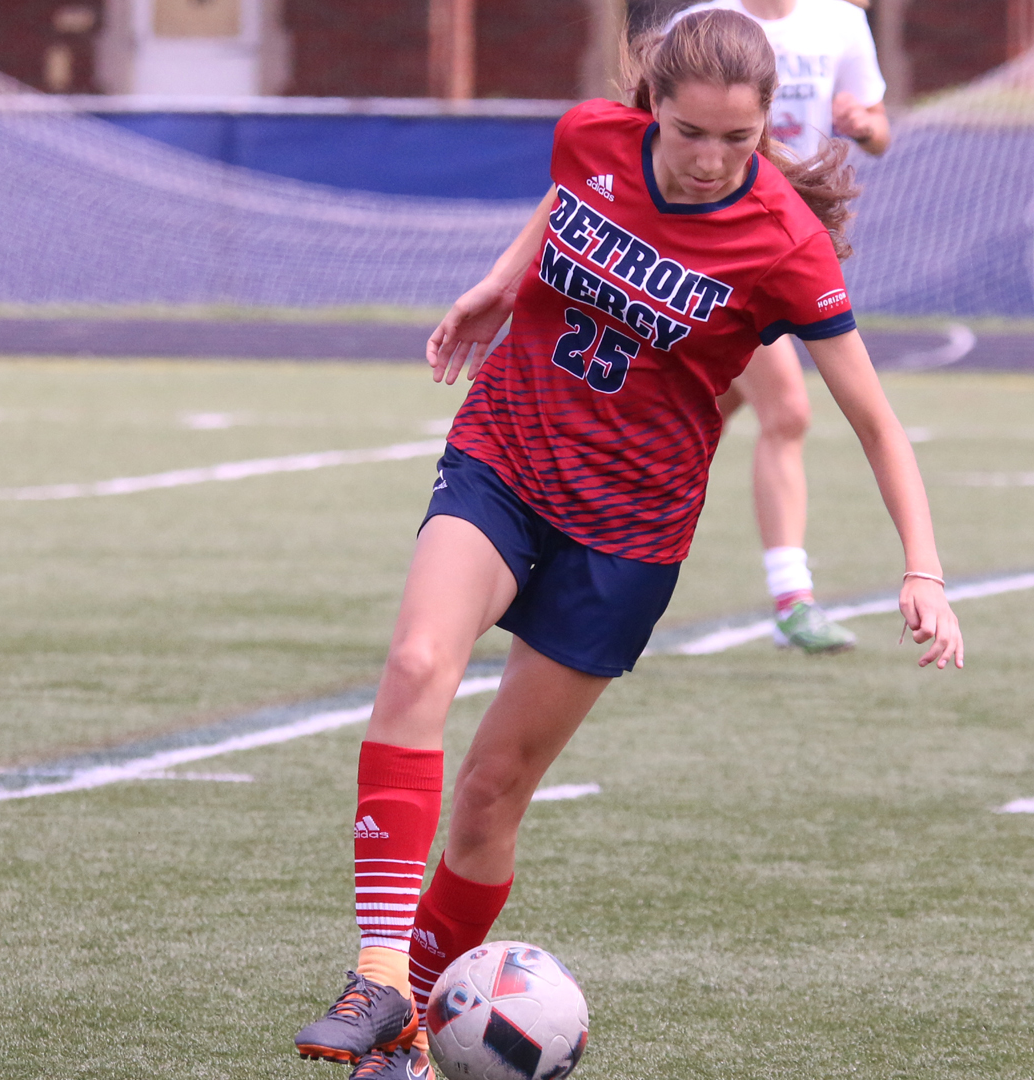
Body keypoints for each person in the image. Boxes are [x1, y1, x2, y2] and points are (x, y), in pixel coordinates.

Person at [289, 11, 963, 1079]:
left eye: (739, 141)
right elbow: (568, 198)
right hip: (507, 455)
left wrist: (922, 567)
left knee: (491, 794)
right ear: (651, 106)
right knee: (417, 663)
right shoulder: (589, 136)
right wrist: (505, 279)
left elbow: (877, 423)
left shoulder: (785, 240)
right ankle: (378, 978)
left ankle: (408, 1034)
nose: (712, 161)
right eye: (691, 133)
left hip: (628, 533)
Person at [667, 0, 893, 653]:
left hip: (792, 242)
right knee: (788, 411)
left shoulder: (841, 22)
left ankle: (583, 516)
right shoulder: (705, 22)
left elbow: (879, 130)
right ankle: (793, 600)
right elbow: (641, 124)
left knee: (692, 413)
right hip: (722, 244)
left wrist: (863, 125)